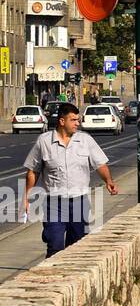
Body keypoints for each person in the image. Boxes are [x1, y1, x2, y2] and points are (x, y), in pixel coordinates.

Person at [22, 103, 118, 258]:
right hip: (54, 203)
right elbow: (33, 171)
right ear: (61, 121)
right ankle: (52, 277)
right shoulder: (44, 142)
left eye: (78, 120)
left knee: (77, 246)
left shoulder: (85, 140)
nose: (77, 123)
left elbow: (100, 163)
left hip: (79, 202)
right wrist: (26, 197)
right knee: (55, 243)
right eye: (73, 120)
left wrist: (108, 180)